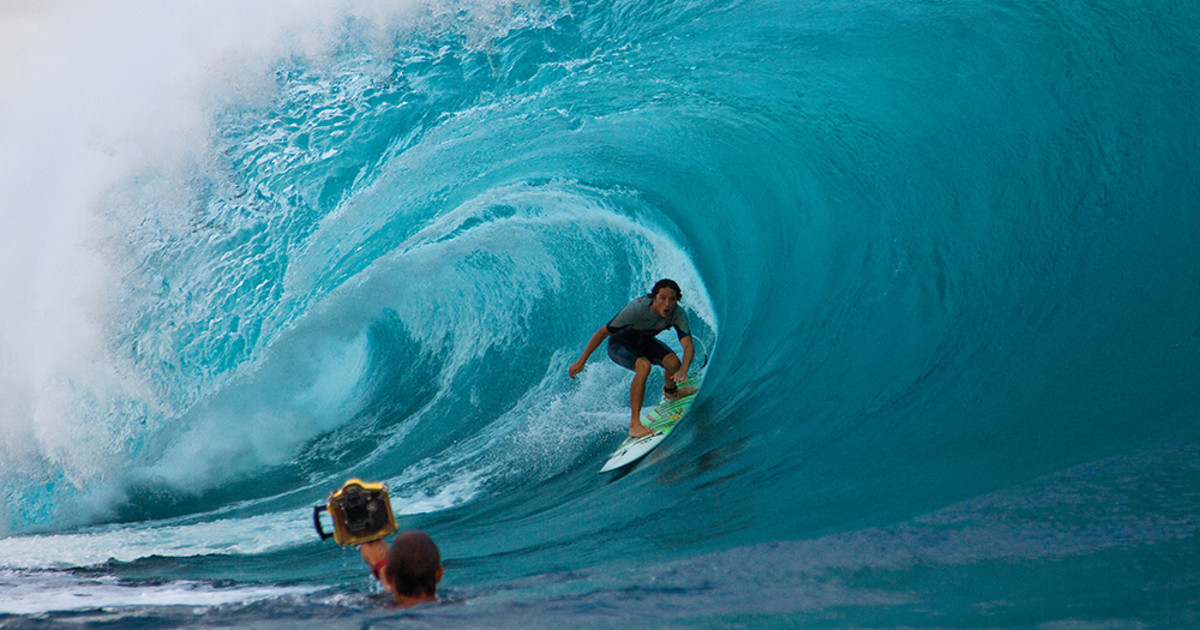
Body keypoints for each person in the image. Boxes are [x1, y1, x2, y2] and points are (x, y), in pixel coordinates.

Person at [568, 278, 696, 438]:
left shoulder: (678, 314)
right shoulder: (638, 308)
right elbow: (602, 332)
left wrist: (684, 369)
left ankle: (671, 391)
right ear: (654, 297)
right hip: (620, 345)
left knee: (674, 363)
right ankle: (634, 424)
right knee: (643, 366)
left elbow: (688, 345)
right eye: (662, 298)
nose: (667, 304)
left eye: (672, 299)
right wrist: (581, 361)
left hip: (645, 342)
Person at [359, 530, 443, 607]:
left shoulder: (374, 611)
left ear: (388, 577)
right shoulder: (452, 607)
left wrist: (379, 565)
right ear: (439, 573)